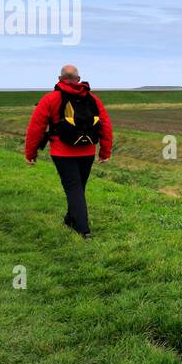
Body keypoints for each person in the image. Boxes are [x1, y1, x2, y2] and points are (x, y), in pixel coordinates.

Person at [24, 65, 113, 239]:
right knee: (78, 189)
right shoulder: (93, 98)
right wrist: (105, 151)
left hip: (62, 153)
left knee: (74, 189)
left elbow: (36, 128)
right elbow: (106, 125)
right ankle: (70, 219)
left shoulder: (50, 99)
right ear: (78, 79)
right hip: (87, 151)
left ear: (59, 78)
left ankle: (83, 229)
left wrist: (30, 154)